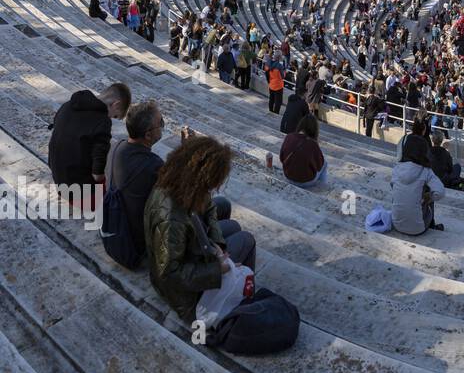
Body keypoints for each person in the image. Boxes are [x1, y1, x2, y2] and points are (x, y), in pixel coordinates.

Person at [143, 135, 257, 325]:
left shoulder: (180, 182)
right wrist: (217, 269)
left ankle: (238, 285)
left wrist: (218, 243)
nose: (212, 189)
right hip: (186, 300)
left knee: (232, 223)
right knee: (246, 239)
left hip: (197, 250)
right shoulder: (172, 217)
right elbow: (170, 274)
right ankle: (242, 299)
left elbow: (209, 207)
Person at [102, 101, 167, 266]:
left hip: (117, 231)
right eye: (161, 123)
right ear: (147, 135)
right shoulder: (152, 165)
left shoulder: (117, 147)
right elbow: (184, 192)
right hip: (136, 246)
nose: (163, 125)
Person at [48, 82, 131, 197]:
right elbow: (97, 175)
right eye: (115, 116)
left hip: (58, 179)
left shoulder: (68, 105)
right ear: (116, 104)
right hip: (79, 193)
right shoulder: (102, 122)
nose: (112, 118)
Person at [390, 120, 445, 234]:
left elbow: (392, 187)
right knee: (430, 192)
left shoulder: (396, 169)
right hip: (418, 228)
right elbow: (440, 192)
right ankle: (432, 225)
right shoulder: (426, 171)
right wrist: (427, 197)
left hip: (396, 224)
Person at [280, 115, 327, 188]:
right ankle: (322, 187)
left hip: (288, 176)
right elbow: (319, 166)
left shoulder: (289, 136)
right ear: (314, 130)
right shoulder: (313, 144)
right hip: (306, 182)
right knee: (325, 164)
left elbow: (281, 158)